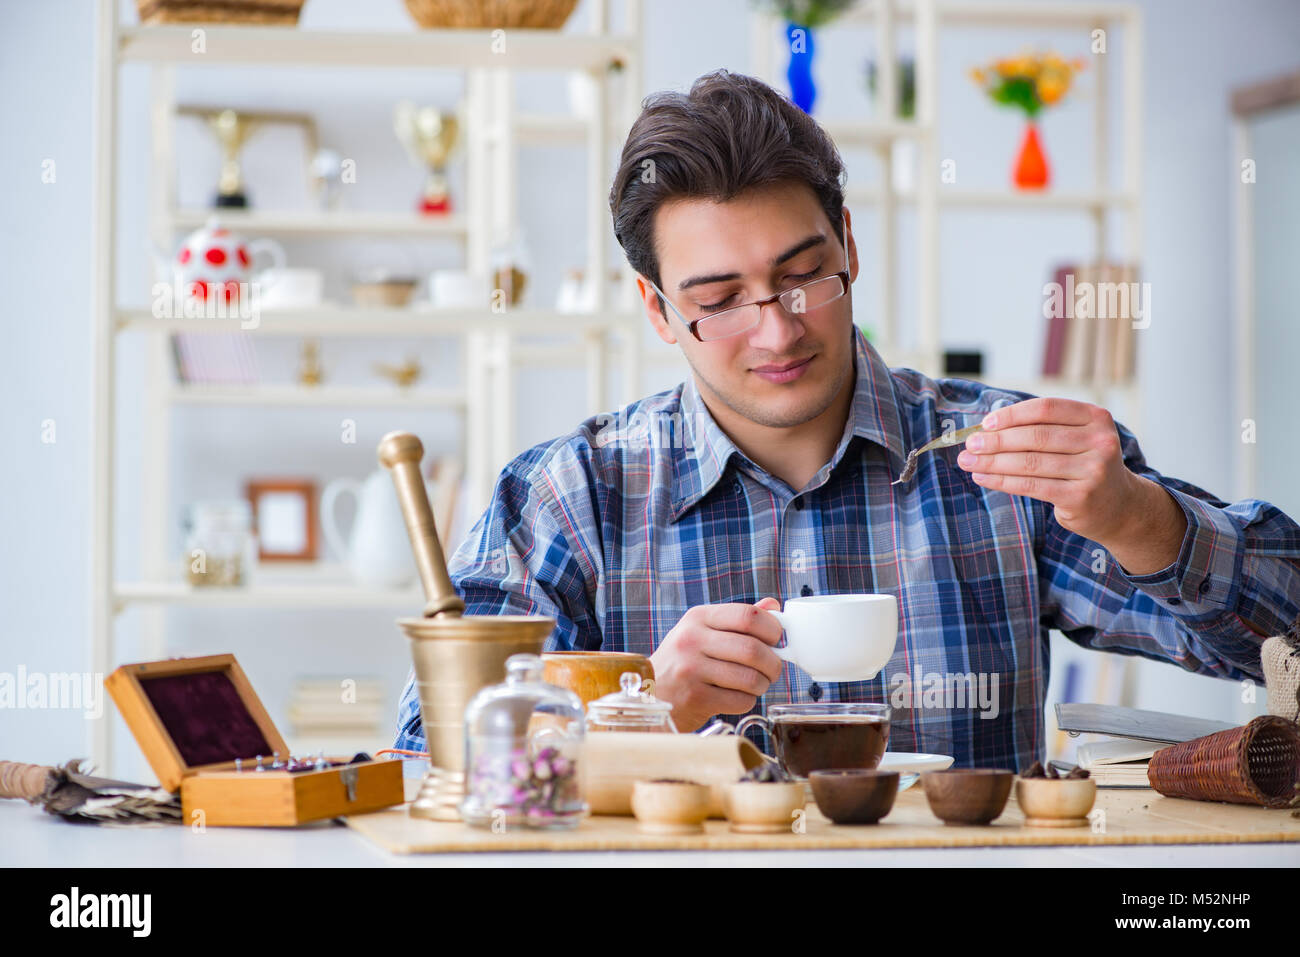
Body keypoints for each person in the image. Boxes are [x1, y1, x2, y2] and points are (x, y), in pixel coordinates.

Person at [394, 70, 1300, 770]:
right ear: (659, 311)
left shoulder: (1001, 456)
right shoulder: (570, 498)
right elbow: (424, 762)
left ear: (851, 246)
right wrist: (636, 712)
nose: (779, 328)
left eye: (803, 275)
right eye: (721, 300)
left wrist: (1143, 519)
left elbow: (1281, 643)